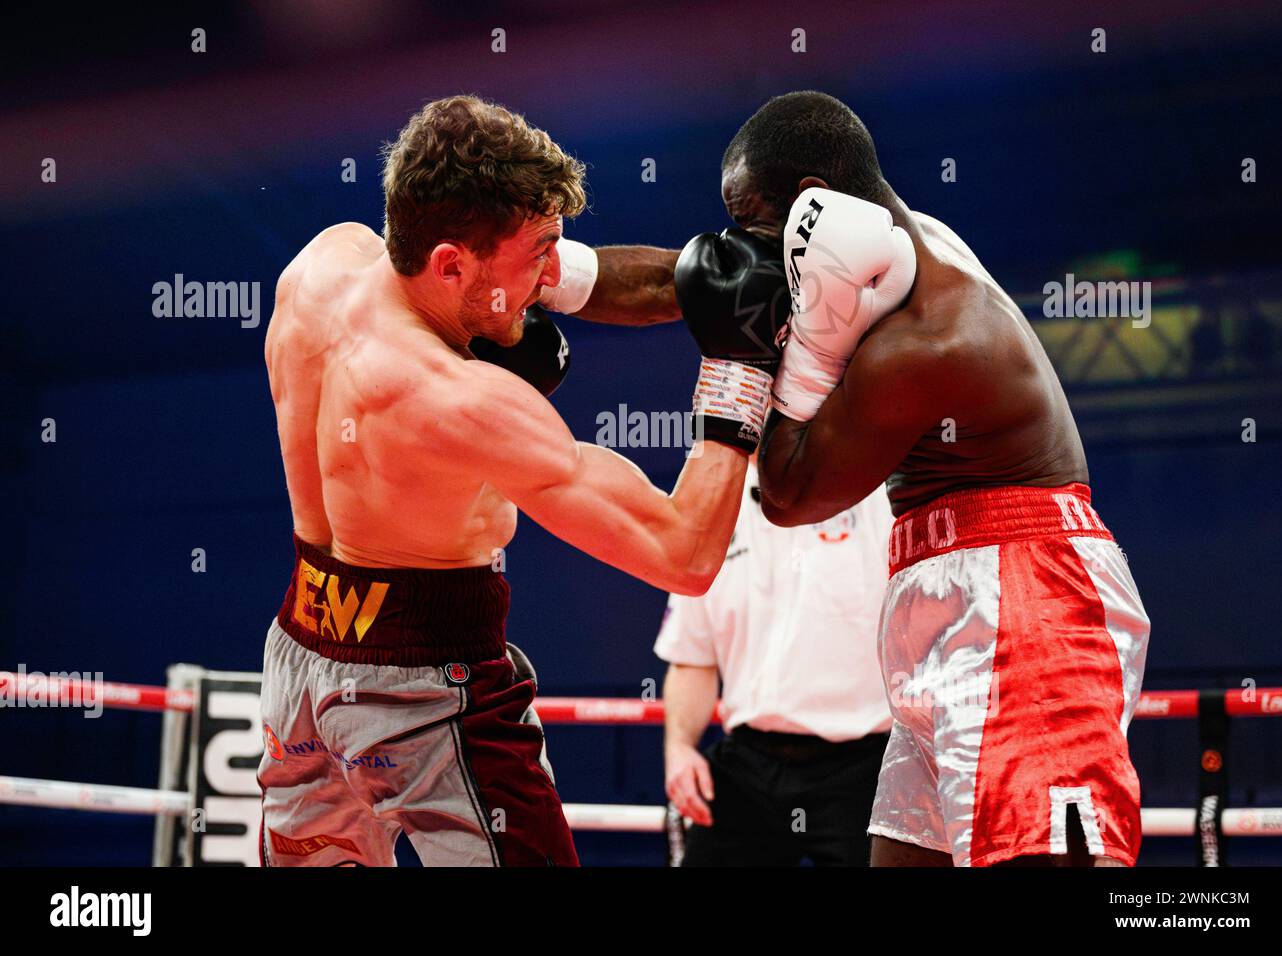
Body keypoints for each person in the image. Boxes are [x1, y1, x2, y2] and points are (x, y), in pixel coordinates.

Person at [257, 95, 782, 866]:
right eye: (539, 249)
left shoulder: (323, 265)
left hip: (299, 660)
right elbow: (686, 554)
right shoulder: (460, 400)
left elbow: (562, 276)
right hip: (427, 688)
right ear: (451, 263)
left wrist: (705, 278)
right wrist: (740, 364)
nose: (549, 271)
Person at [726, 91, 1150, 867]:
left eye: (753, 219)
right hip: (943, 601)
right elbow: (701, 276)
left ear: (810, 204)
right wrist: (558, 279)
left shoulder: (926, 340)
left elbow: (785, 494)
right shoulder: (901, 254)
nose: (743, 243)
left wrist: (768, 362)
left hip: (1025, 607)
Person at [657, 454, 892, 866]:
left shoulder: (879, 492)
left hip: (867, 768)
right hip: (749, 765)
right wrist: (679, 748)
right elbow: (692, 657)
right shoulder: (714, 509)